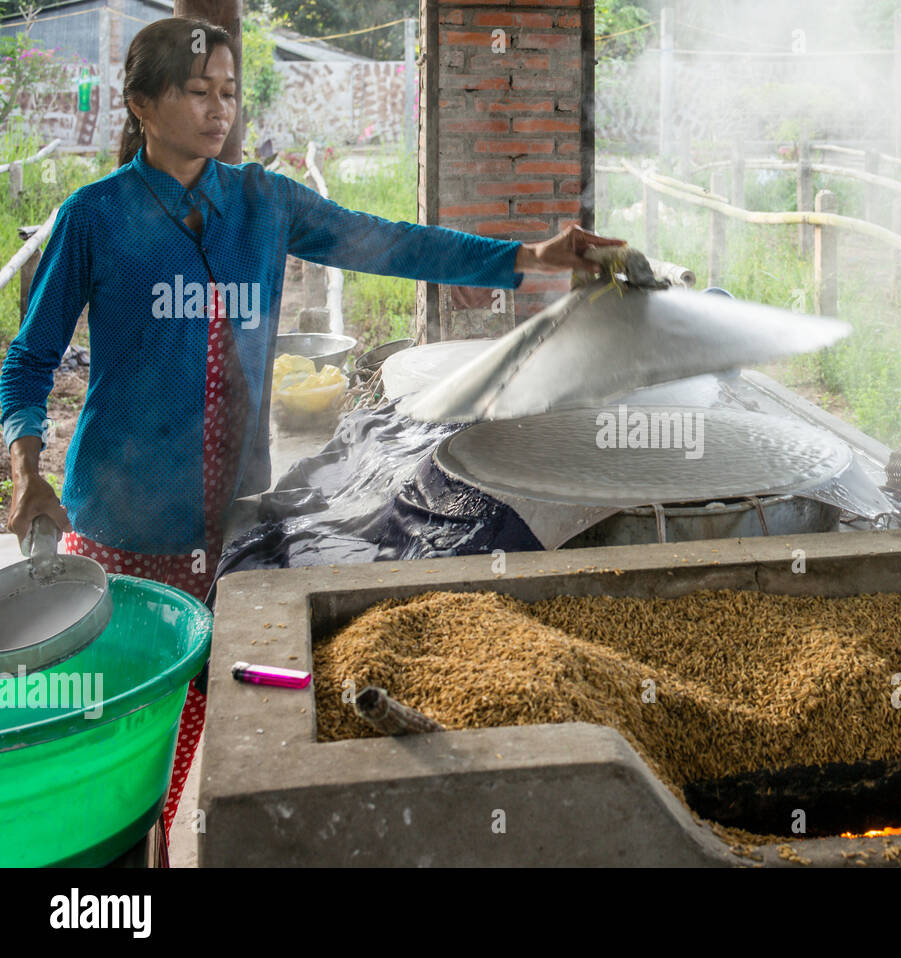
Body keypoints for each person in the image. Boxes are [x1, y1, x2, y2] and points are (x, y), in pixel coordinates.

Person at [0, 16, 623, 850]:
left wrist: (532, 255)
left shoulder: (263, 202)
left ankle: (165, 845)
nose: (219, 109)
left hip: (232, 517)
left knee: (206, 722)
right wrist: (24, 469)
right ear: (142, 104)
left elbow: (394, 244)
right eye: (197, 91)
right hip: (121, 524)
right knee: (114, 733)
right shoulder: (96, 218)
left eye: (228, 93)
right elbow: (29, 360)